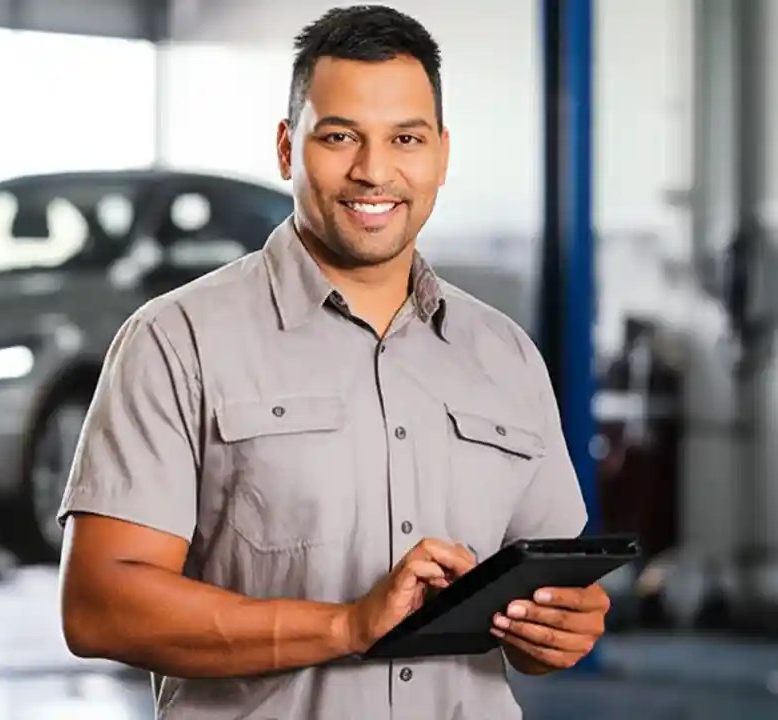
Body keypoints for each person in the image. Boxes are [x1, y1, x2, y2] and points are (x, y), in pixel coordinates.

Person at [55, 5, 609, 718]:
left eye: (404, 138)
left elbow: (556, 587)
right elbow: (101, 605)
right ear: (288, 150)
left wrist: (564, 627)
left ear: (440, 154)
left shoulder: (505, 356)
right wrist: (345, 625)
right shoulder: (178, 339)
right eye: (340, 136)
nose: (374, 171)